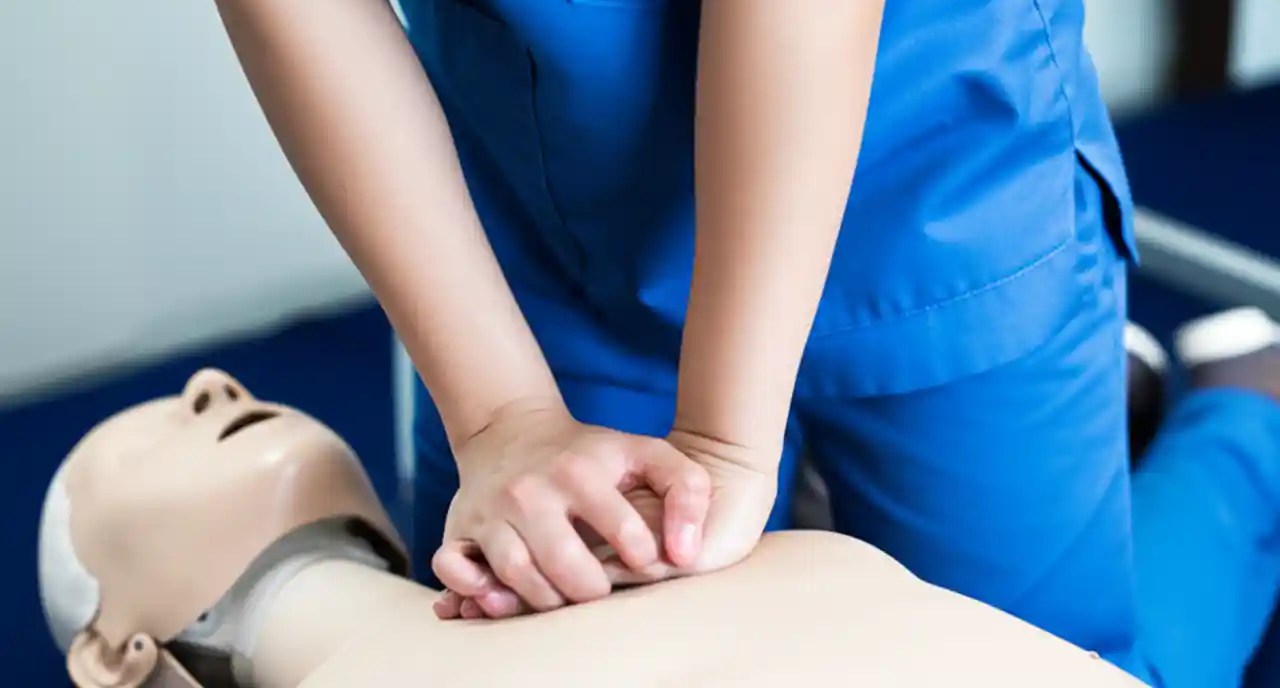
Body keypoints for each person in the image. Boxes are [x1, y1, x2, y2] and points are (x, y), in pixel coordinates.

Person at [197, 0, 1280, 682]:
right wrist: (501, 419)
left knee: (1045, 667)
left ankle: (1248, 420)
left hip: (926, 170)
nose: (212, 394)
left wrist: (724, 440)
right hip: (553, 212)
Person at [37, 368, 1146, 687]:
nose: (210, 380)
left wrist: (725, 442)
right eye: (136, 446)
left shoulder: (596, 529)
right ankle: (1243, 407)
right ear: (110, 656)